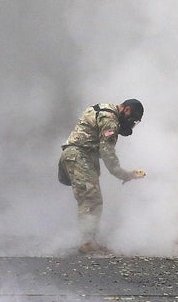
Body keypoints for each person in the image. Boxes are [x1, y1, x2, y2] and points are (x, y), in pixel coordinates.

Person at [57, 98, 146, 255]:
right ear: (126, 110)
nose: (131, 124)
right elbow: (107, 152)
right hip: (79, 156)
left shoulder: (103, 109)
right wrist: (123, 174)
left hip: (75, 156)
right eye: (132, 120)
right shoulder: (110, 121)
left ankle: (88, 240)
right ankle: (87, 242)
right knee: (91, 198)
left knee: (90, 197)